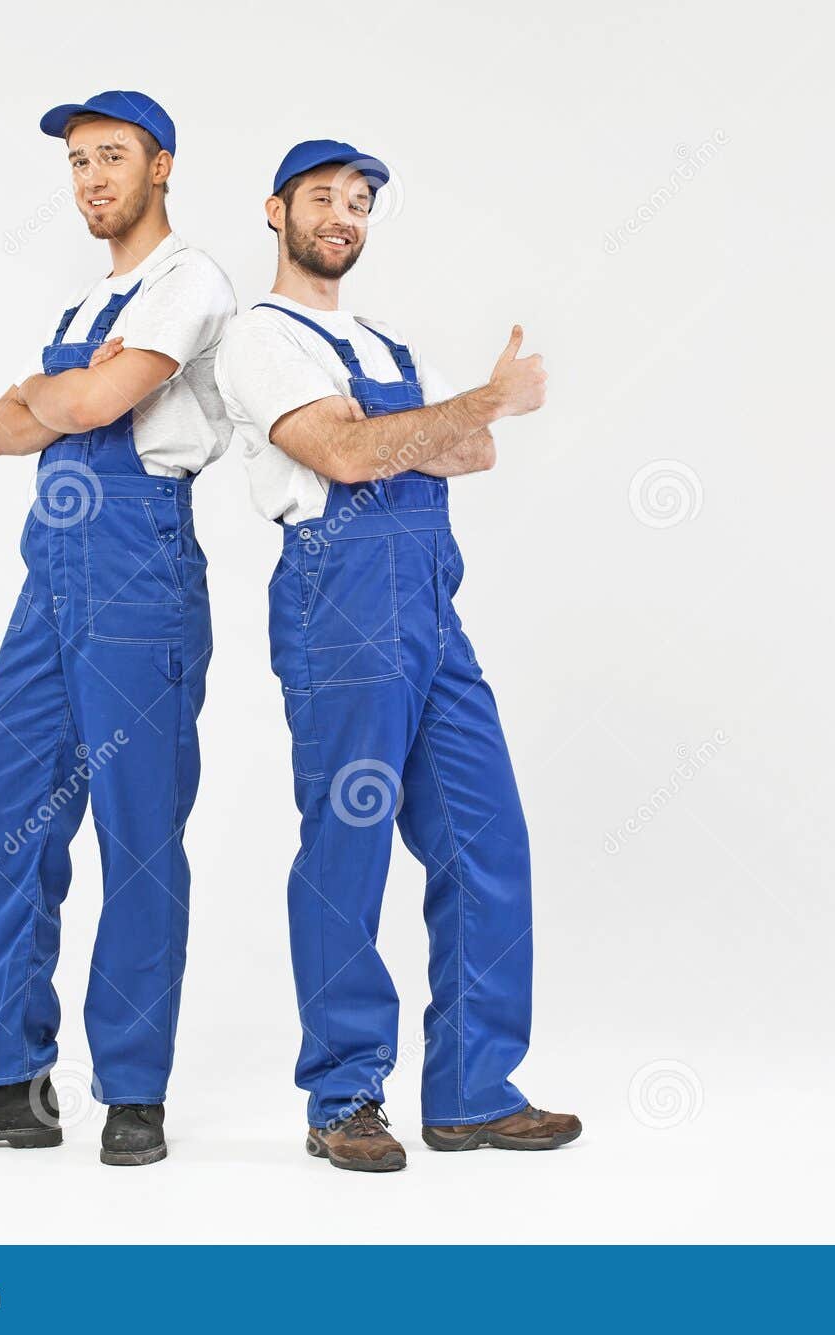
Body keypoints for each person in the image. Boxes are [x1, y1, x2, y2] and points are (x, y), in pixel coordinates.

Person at [213, 139, 581, 1172]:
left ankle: (472, 1091)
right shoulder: (259, 337)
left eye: (361, 201)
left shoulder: (381, 341)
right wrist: (466, 406)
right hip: (341, 605)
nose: (343, 214)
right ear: (276, 211)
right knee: (350, 849)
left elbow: (471, 451)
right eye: (323, 197)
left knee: (486, 839)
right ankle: (344, 1098)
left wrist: (448, 419)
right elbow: (344, 452)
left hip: (429, 606)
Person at [0, 91, 236, 1168]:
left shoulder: (192, 281)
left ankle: (134, 1091)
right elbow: (4, 431)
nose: (92, 179)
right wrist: (63, 392)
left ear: (161, 166)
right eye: (79, 162)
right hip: (48, 582)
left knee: (137, 838)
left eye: (112, 158)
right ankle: (8, 1079)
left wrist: (56, 396)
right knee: (9, 824)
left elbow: (83, 410)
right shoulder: (91, 308)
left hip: (139, 576)